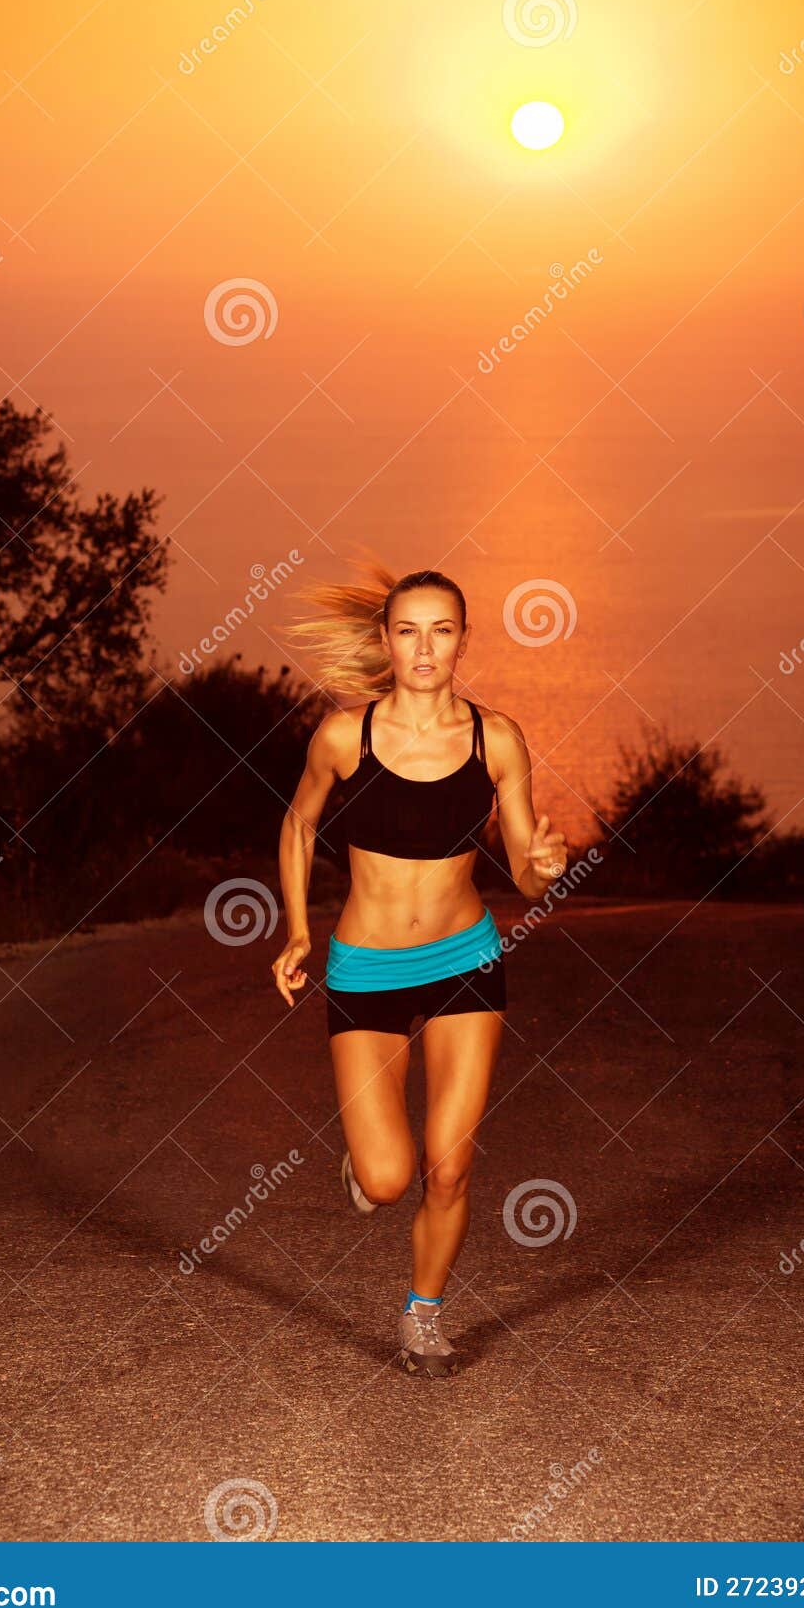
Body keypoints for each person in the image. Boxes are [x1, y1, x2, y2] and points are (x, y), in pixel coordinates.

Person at [272, 562, 566, 1378]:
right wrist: (298, 932)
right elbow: (297, 828)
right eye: (408, 631)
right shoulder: (344, 737)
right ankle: (365, 1164)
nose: (425, 647)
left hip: (464, 961)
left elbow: (524, 870)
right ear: (386, 641)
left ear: (463, 640)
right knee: (389, 1177)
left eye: (441, 631)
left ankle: (423, 1314)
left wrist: (545, 865)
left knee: (451, 1162)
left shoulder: (494, 738)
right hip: (364, 968)